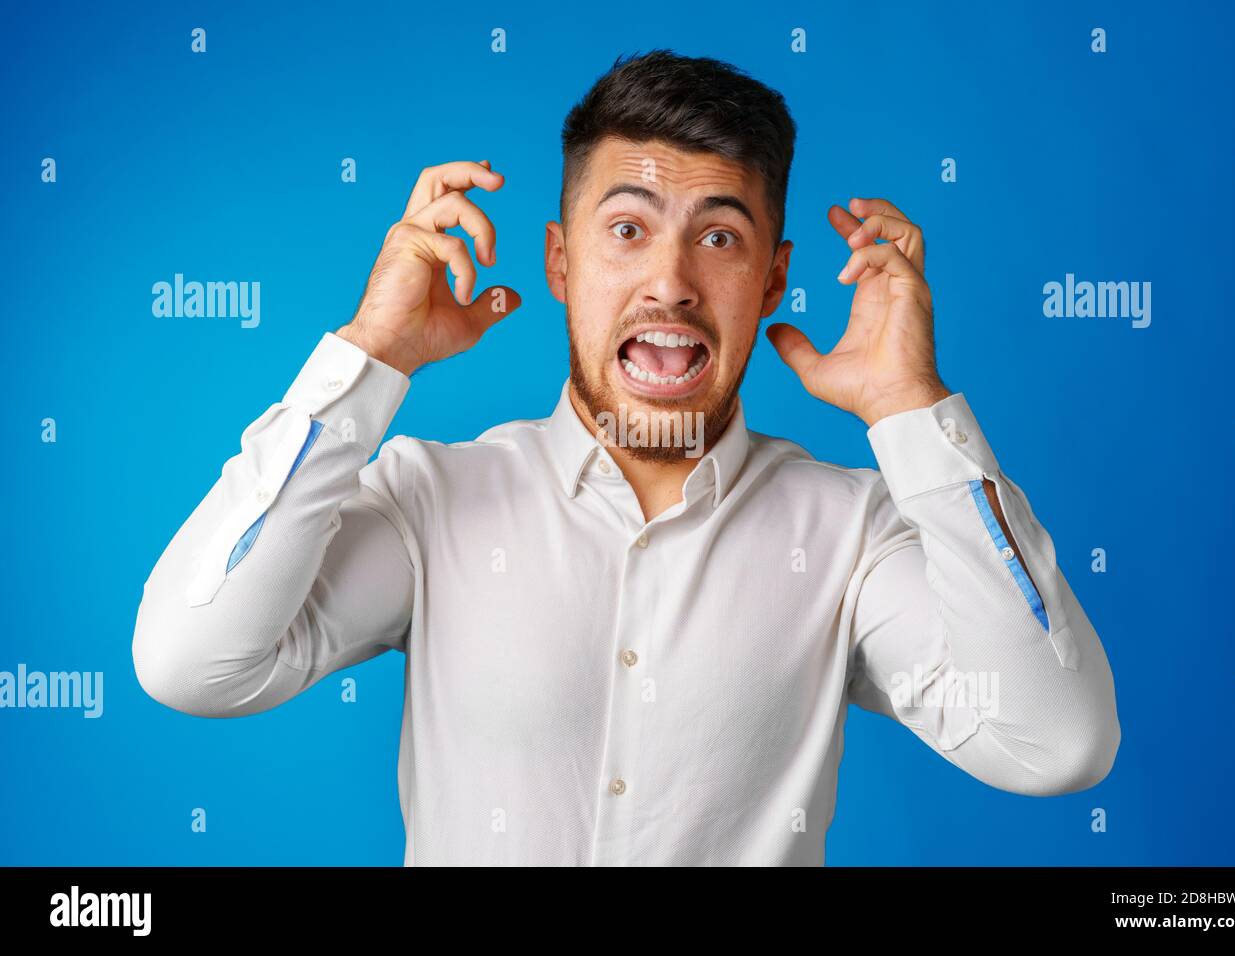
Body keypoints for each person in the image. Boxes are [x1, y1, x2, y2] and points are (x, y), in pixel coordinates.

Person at [132, 49, 1120, 866]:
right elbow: (192, 663)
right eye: (627, 230)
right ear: (561, 262)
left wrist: (912, 405)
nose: (670, 282)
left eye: (719, 237)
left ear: (774, 277)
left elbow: (1058, 742)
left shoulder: (850, 533)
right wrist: (369, 355)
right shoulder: (433, 503)